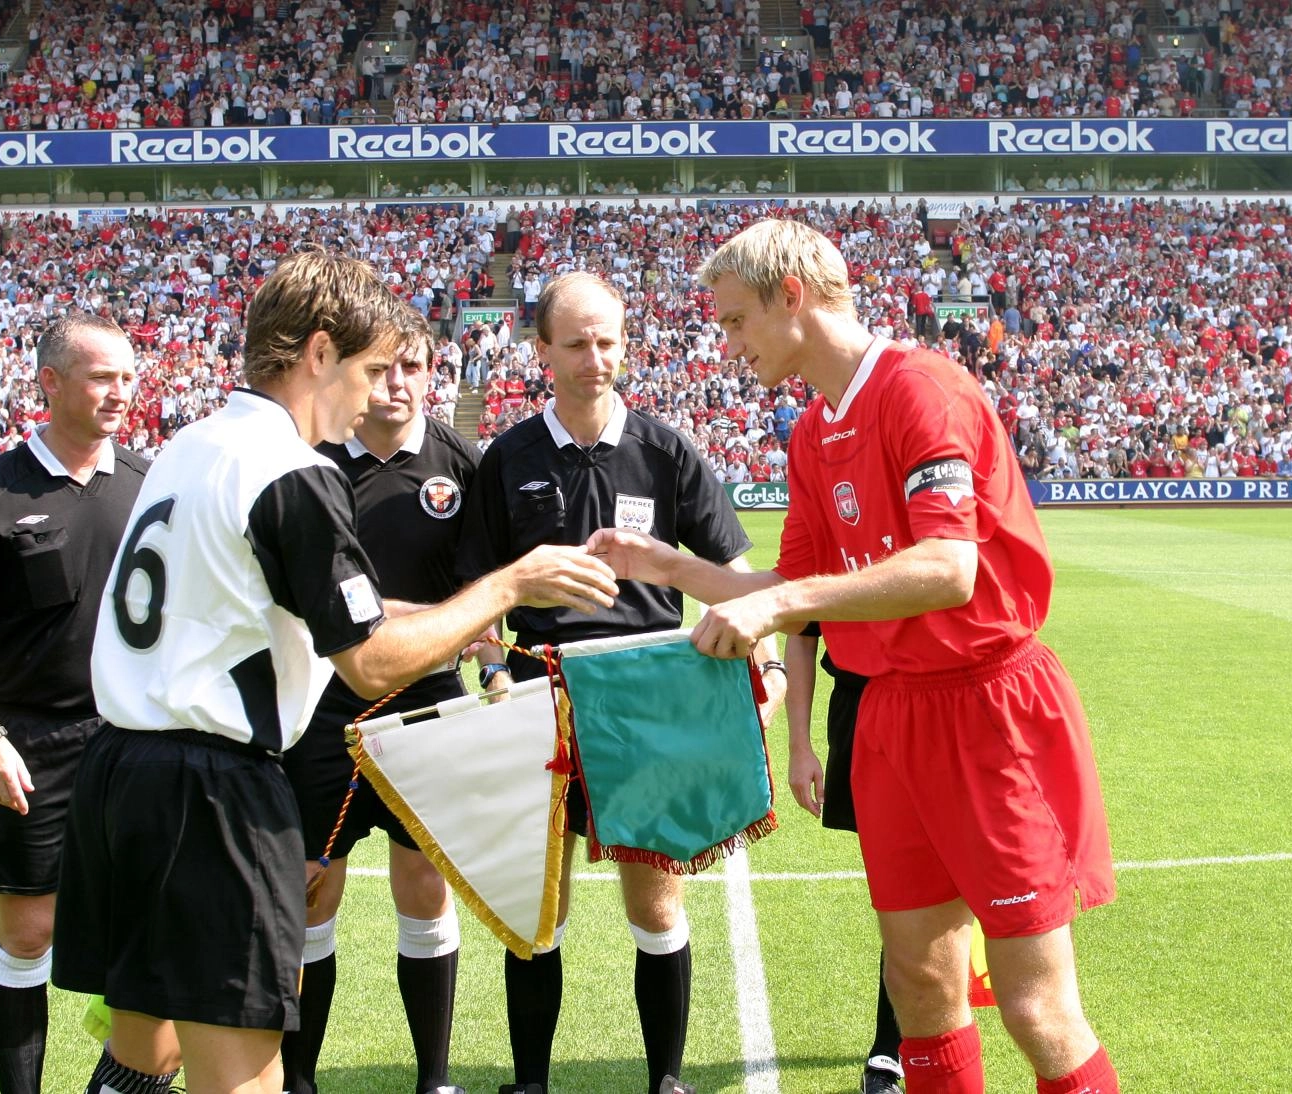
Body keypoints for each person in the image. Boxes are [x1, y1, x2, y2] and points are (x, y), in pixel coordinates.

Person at [51, 250, 619, 1094]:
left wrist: (461, 621)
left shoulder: (186, 444)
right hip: (209, 790)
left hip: (121, 772)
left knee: (144, 1054)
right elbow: (367, 662)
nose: (370, 393)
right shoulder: (292, 469)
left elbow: (324, 616)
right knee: (244, 1076)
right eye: (366, 369)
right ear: (319, 354)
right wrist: (507, 584)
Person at [589, 219, 1120, 1094]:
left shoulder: (922, 391)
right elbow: (791, 579)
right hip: (893, 713)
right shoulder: (811, 431)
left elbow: (950, 569)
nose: (727, 344)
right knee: (920, 986)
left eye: (734, 322)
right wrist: (665, 566)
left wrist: (784, 602)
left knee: (1033, 1006)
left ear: (790, 297)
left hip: (989, 710)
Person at [456, 271, 785, 1094]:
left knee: (657, 903)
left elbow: (732, 570)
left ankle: (665, 1078)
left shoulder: (666, 448)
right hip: (544, 695)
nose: (595, 359)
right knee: (540, 906)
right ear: (542, 352)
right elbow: (482, 588)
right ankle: (530, 1081)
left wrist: (769, 659)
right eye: (576, 344)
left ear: (626, 344)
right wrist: (493, 667)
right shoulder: (507, 457)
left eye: (608, 341)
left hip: (648, 699)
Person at [0, 314, 158, 1094]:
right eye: (100, 376)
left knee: (150, 928)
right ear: (50, 383)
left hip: (138, 739)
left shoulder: (155, 484)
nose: (119, 391)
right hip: (28, 743)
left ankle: (122, 1081)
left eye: (127, 375)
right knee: (30, 934)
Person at [280, 307, 500, 1094]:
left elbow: (481, 590)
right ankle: (298, 1077)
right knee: (312, 887)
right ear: (354, 373)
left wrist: (489, 658)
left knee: (425, 885)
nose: (397, 384)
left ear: (432, 372)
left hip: (427, 705)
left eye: (414, 367)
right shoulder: (307, 457)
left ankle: (434, 1078)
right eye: (383, 368)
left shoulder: (459, 462)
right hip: (322, 709)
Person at [785, 624, 902, 1094]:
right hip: (861, 710)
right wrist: (799, 745)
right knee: (897, 890)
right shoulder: (824, 546)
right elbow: (801, 629)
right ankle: (890, 1050)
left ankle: (896, 1047)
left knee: (936, 886)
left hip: (943, 707)